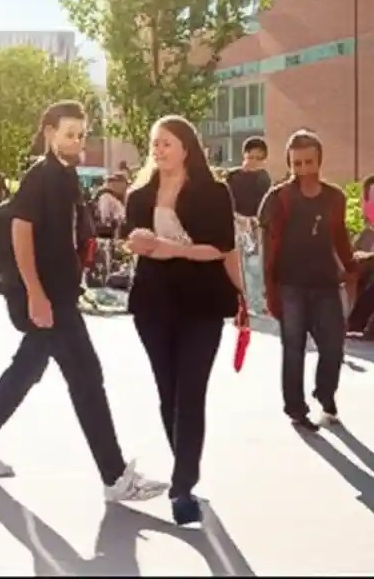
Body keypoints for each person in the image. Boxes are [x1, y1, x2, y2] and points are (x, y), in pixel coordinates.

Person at [0, 100, 167, 503]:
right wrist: (36, 295)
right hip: (51, 300)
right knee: (87, 379)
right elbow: (21, 233)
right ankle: (115, 477)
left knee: (27, 369)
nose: (77, 141)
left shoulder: (66, 176)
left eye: (81, 134)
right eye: (69, 133)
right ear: (49, 132)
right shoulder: (41, 176)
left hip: (60, 296)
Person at [122, 116, 243, 526]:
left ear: (186, 148)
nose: (158, 150)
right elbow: (132, 240)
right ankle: (184, 464)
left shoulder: (213, 192)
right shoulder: (140, 194)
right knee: (168, 393)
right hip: (152, 305)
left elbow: (219, 248)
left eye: (167, 143)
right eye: (155, 143)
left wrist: (168, 247)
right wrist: (141, 244)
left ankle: (182, 488)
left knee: (190, 394)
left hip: (201, 305)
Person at [258, 129, 356, 430]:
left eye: (308, 162)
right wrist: (269, 288)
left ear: (319, 161)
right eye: (296, 163)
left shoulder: (334, 197)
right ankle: (296, 409)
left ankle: (325, 393)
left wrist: (351, 267)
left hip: (325, 281)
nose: (303, 169)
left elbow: (339, 236)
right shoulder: (278, 198)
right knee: (293, 347)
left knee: (333, 346)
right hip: (290, 284)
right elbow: (266, 246)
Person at [226, 137, 272, 316]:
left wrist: (255, 221)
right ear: (244, 156)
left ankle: (257, 303)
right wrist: (238, 218)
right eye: (250, 157)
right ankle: (241, 303)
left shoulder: (263, 178)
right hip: (235, 224)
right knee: (238, 265)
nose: (253, 162)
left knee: (255, 266)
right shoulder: (233, 177)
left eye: (258, 159)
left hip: (254, 227)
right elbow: (226, 202)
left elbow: (265, 204)